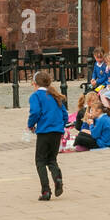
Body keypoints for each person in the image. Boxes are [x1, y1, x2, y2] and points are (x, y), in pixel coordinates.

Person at [28, 71, 67, 201]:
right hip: (57, 131)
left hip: (44, 131)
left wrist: (31, 125)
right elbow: (65, 114)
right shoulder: (55, 95)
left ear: (35, 84)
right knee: (52, 159)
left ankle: (46, 190)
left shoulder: (36, 96)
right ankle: (58, 178)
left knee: (40, 161)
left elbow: (35, 112)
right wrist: (60, 125)